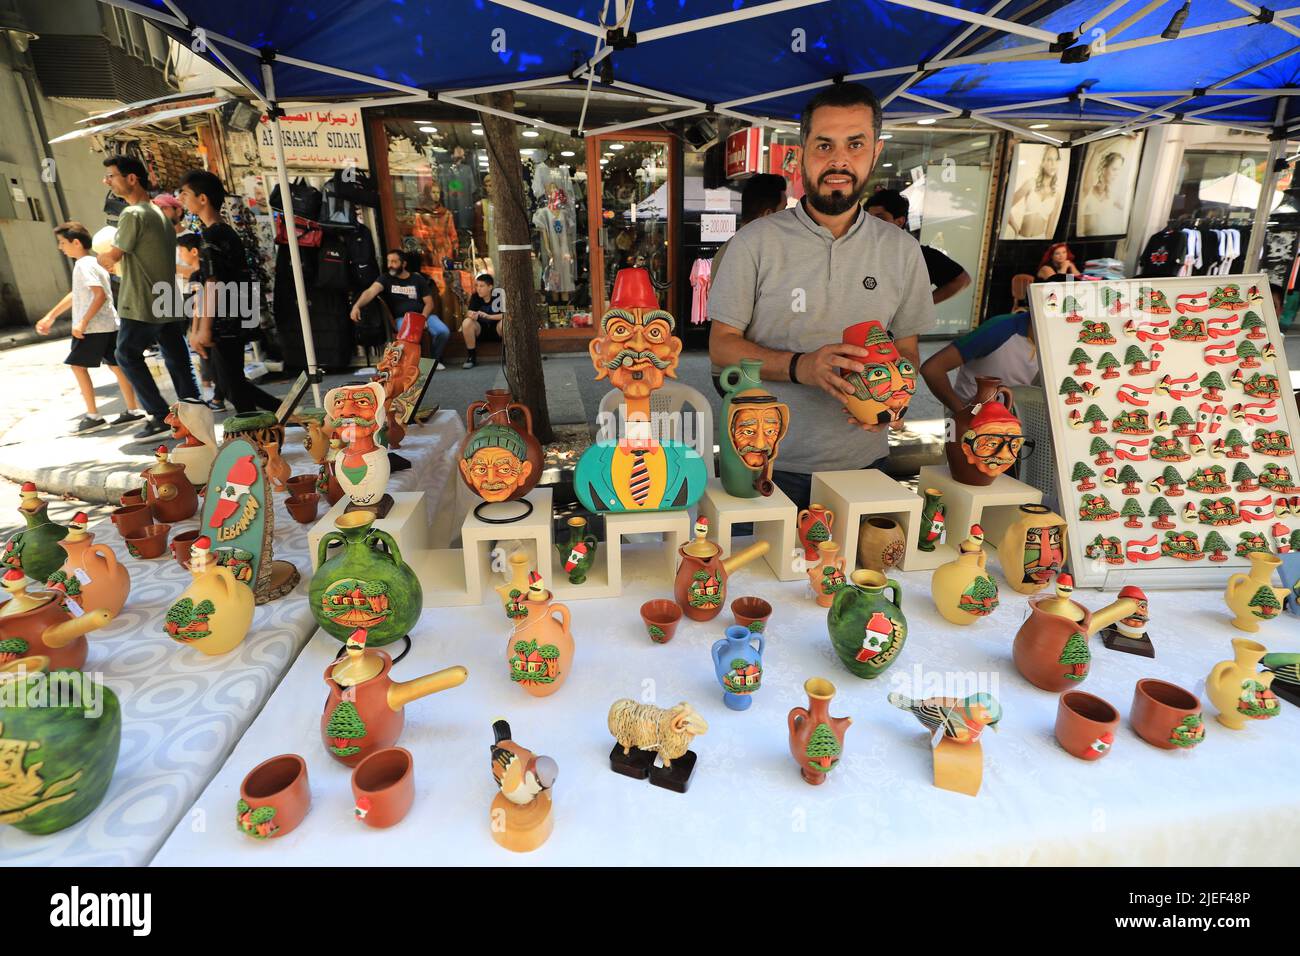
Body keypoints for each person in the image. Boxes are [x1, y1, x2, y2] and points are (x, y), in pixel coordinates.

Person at [708, 82, 935, 510]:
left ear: (875, 152)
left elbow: (907, 349)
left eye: (855, 144)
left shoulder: (901, 250)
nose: (839, 160)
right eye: (824, 145)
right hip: (765, 462)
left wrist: (896, 396)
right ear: (801, 152)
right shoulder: (754, 243)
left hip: (866, 464)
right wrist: (801, 367)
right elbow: (721, 349)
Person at [97, 154, 201, 440]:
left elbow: (112, 256)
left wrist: (102, 256)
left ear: (132, 178)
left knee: (126, 354)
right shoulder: (159, 214)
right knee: (177, 358)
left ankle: (159, 416)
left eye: (111, 176)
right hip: (166, 296)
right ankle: (194, 412)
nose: (107, 181)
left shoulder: (132, 214)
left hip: (143, 300)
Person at [178, 170, 278, 415]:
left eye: (185, 193)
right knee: (230, 383)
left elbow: (212, 284)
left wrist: (204, 328)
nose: (181, 198)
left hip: (228, 320)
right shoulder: (217, 233)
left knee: (232, 385)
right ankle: (287, 415)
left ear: (203, 199)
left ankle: (262, 429)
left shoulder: (214, 235)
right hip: (231, 317)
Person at [35, 222, 141, 433]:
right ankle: (133, 410)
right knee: (117, 366)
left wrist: (82, 322)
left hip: (93, 328)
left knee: (78, 367)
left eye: (62, 242)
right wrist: (51, 316)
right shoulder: (93, 263)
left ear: (76, 242)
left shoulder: (83, 265)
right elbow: (78, 294)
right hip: (110, 324)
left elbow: (99, 295)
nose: (60, 247)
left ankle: (93, 416)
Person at [709, 173, 788, 395]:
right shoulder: (744, 251)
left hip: (749, 365)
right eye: (785, 212)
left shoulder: (737, 246)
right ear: (768, 215)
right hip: (739, 369)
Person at [865, 188, 971, 304]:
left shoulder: (920, 255)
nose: (873, 224)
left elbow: (961, 280)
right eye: (869, 219)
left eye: (880, 218)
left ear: (899, 221)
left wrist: (921, 305)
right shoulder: (861, 250)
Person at [920, 312, 1040, 413]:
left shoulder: (1051, 341)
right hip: (964, 419)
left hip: (1009, 423)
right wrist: (962, 414)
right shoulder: (1000, 329)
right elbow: (932, 369)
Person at [350, 250, 449, 367]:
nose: (390, 265)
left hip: (423, 315)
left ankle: (434, 361)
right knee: (408, 335)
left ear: (403, 264)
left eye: (394, 262)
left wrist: (422, 319)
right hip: (403, 318)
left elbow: (429, 303)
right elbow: (370, 292)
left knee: (443, 332)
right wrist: (357, 306)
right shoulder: (385, 279)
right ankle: (413, 365)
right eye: (388, 261)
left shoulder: (417, 279)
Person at [460, 273, 505, 369]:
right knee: (467, 322)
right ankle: (471, 357)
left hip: (497, 330)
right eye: (477, 285)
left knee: (505, 323)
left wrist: (488, 316)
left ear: (490, 287)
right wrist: (471, 315)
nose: (478, 288)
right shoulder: (475, 296)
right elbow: (469, 311)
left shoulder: (498, 297)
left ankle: (507, 354)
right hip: (480, 330)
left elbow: (506, 315)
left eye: (481, 286)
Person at [1077, 151, 1126, 235]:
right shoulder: (1088, 190)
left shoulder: (1113, 196)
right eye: (1114, 169)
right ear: (1104, 169)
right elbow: (1095, 151)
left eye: (1119, 170)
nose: (1117, 174)